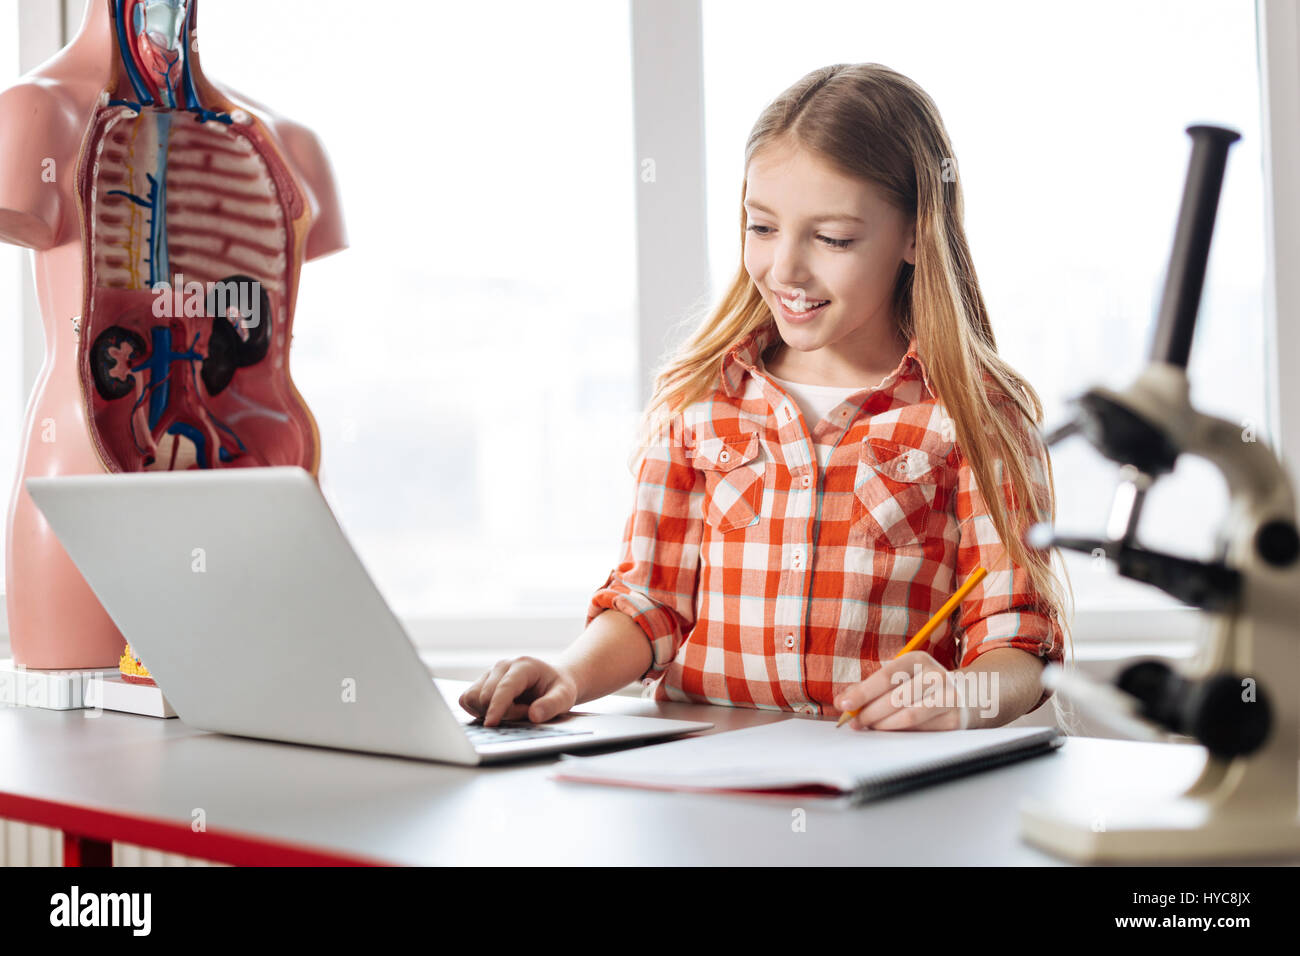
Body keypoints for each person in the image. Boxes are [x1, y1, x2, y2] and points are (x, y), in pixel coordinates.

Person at [461, 63, 1076, 733]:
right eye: (761, 228)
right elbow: (648, 601)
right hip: (703, 788)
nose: (784, 269)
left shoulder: (976, 417)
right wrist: (570, 676)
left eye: (833, 238)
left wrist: (961, 697)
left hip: (875, 792)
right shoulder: (697, 397)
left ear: (914, 234)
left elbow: (1021, 646)